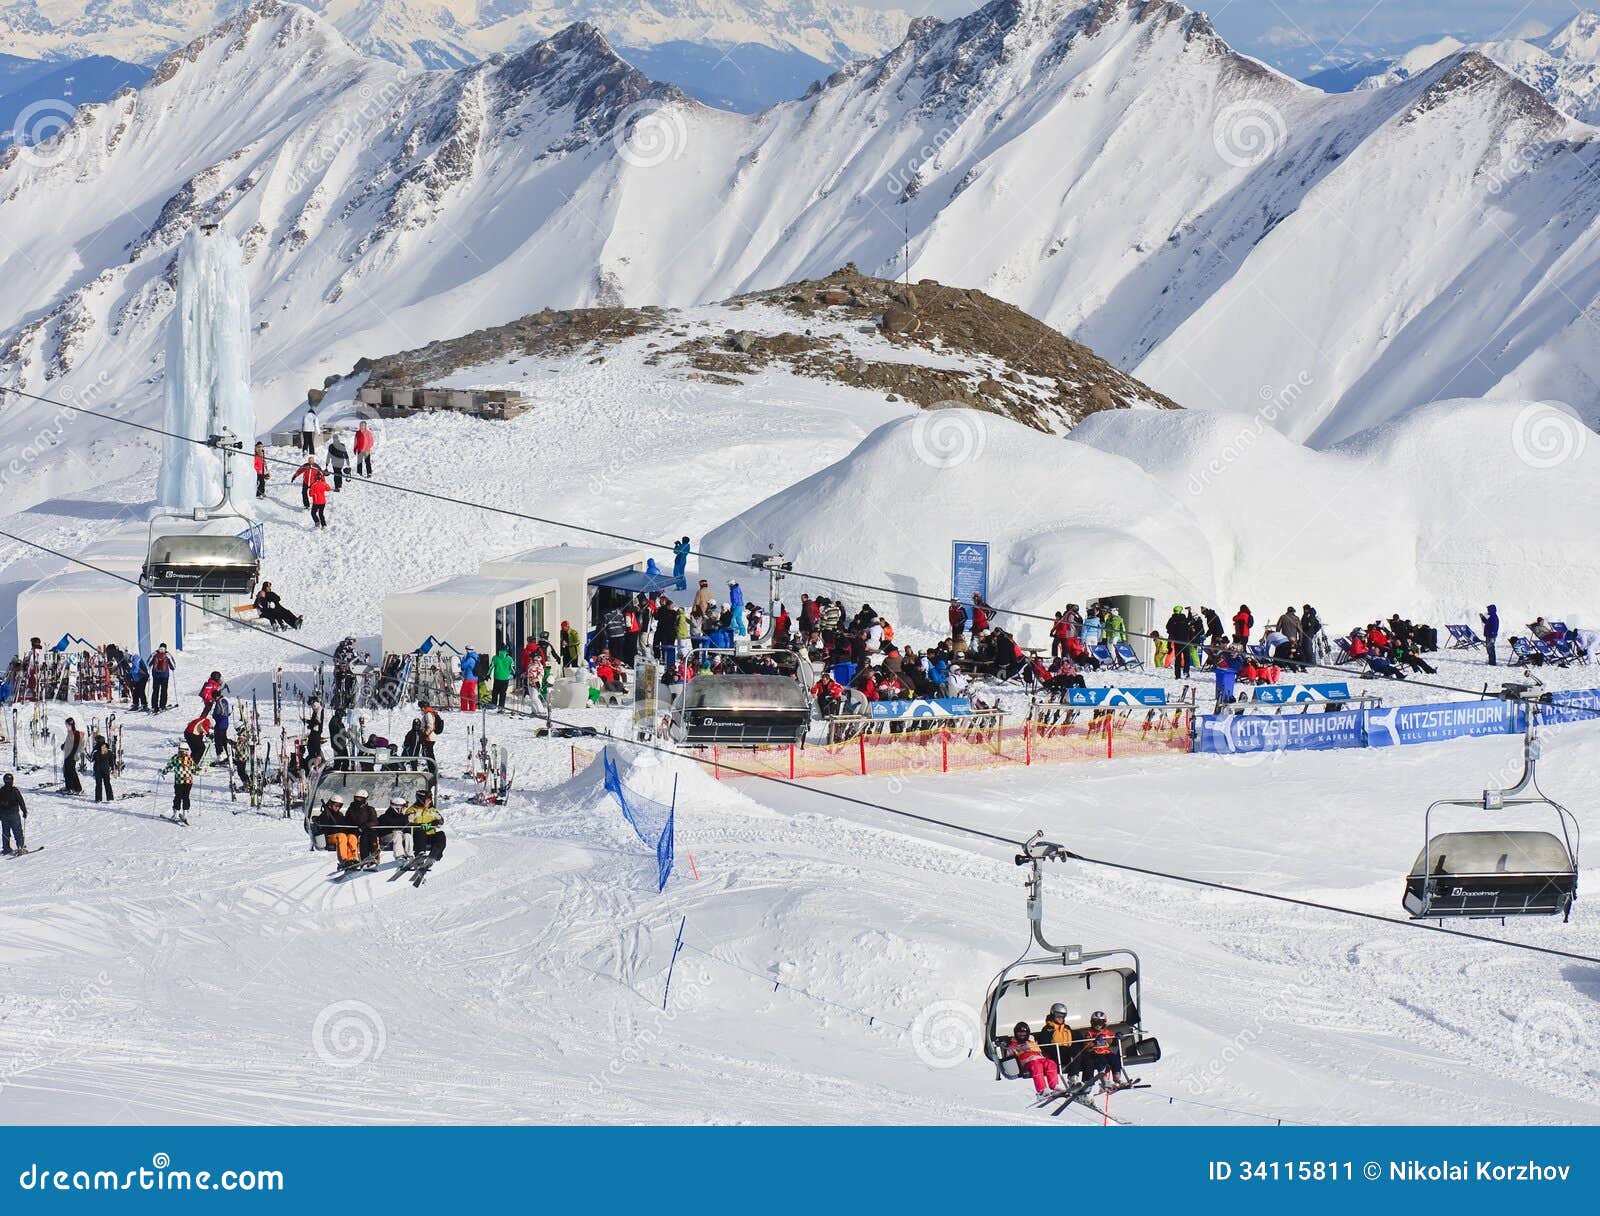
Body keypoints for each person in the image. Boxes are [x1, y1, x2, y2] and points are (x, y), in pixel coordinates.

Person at [1003, 1021, 1062, 1096]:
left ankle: (1054, 1086)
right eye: (1019, 1033)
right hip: (1027, 1062)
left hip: (1039, 1058)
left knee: (1051, 1063)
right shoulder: (1012, 1044)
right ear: (1015, 1033)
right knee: (1036, 1066)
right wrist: (1017, 1049)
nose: (1022, 1035)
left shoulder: (1031, 1040)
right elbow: (1009, 1057)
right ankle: (1042, 1090)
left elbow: (1038, 1049)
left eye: (1024, 1033)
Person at [1082, 1011, 1130, 1092]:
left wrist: (1117, 1036)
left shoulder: (1106, 1032)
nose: (1098, 1025)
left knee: (1114, 1059)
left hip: (1106, 1052)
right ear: (1092, 1022)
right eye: (1096, 1022)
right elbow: (1086, 1044)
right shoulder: (1089, 1033)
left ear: (1104, 1023)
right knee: (1101, 1061)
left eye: (1100, 1022)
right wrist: (1094, 1042)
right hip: (1096, 1053)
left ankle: (1117, 1077)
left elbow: (1111, 1040)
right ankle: (1104, 1080)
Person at [1038, 1003, 1079, 1083]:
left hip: (1067, 1056)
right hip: (1055, 1056)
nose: (1061, 1018)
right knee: (1068, 1050)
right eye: (1058, 1015)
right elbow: (1044, 1045)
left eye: (1063, 1016)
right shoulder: (1048, 1029)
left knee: (1079, 1052)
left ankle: (1074, 1077)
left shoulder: (1067, 1028)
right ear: (1053, 1014)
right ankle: (1072, 1078)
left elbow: (1075, 1040)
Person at [345, 788, 380, 869]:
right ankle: (364, 859)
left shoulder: (370, 809)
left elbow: (374, 821)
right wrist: (355, 827)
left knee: (371, 836)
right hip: (355, 831)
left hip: (367, 830)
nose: (358, 800)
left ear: (365, 799)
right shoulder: (351, 809)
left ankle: (374, 857)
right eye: (357, 798)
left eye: (360, 798)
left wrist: (364, 826)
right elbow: (347, 821)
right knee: (363, 839)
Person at [408, 790, 446, 862]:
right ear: (421, 800)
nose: (429, 801)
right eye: (427, 800)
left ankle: (434, 855)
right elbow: (408, 823)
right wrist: (422, 826)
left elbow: (441, 821)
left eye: (430, 800)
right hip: (417, 837)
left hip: (429, 836)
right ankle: (420, 854)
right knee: (421, 831)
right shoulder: (413, 810)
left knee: (441, 834)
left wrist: (431, 823)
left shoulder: (432, 810)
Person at [161, 742, 196, 820]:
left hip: (179, 781)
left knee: (178, 796)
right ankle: (185, 813)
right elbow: (194, 770)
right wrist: (199, 771)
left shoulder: (175, 758)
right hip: (188, 781)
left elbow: (169, 767)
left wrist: (163, 772)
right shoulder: (190, 759)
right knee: (186, 796)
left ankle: (176, 814)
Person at [0, 774, 27, 854]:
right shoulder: (14, 790)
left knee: (5, 831)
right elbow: (20, 801)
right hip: (13, 813)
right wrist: (24, 811)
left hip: (4, 814)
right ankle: (20, 847)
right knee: (17, 830)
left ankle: (6, 847)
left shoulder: (1, 790)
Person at [1165, 605, 1192, 680]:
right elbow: (1190, 620)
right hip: (1185, 641)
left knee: (1178, 658)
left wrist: (1169, 644)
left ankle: (1177, 675)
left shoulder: (1171, 620)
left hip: (1177, 642)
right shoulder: (1183, 618)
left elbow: (1168, 629)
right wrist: (1189, 611)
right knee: (1186, 658)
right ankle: (1186, 672)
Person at [149, 643, 175, 712]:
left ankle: (154, 706)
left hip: (155, 676)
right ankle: (162, 706)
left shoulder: (154, 654)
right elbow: (173, 666)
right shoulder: (167, 655)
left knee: (155, 691)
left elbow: (148, 663)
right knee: (164, 691)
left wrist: (153, 655)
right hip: (164, 676)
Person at [60, 717, 83, 795]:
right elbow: (67, 743)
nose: (66, 726)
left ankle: (77, 788)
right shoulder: (69, 733)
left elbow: (77, 745)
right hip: (67, 755)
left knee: (72, 771)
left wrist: (75, 753)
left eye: (67, 725)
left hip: (72, 755)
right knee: (66, 771)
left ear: (71, 724)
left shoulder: (75, 733)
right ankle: (69, 786)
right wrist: (63, 746)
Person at [91, 733, 115, 803]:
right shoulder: (108, 750)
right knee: (107, 783)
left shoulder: (95, 750)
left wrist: (85, 752)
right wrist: (113, 769)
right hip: (106, 769)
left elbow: (91, 759)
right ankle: (110, 798)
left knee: (98, 784)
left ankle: (98, 799)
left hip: (98, 769)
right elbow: (111, 760)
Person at [490, 644, 513, 711]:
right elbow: (512, 668)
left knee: (495, 692)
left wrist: (488, 675)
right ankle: (501, 706)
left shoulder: (495, 658)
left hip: (497, 677)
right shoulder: (509, 659)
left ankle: (493, 704)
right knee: (503, 693)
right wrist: (514, 674)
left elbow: (491, 667)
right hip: (505, 678)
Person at [458, 648, 480, 713]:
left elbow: (463, 666)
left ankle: (464, 708)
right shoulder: (476, 657)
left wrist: (462, 659)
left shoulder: (470, 659)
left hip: (469, 678)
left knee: (463, 693)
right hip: (474, 678)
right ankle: (472, 708)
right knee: (471, 693)